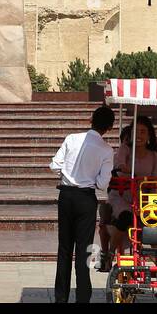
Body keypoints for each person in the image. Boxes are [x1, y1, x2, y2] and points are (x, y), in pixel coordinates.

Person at [49, 105, 115, 303]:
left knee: (64, 248)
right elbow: (103, 184)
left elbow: (54, 165)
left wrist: (68, 175)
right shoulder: (106, 150)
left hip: (66, 196)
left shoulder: (71, 138)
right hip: (86, 198)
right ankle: (83, 296)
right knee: (84, 249)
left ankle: (61, 297)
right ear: (110, 127)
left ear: (90, 120)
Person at [98, 116, 157, 270]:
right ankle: (110, 255)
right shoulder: (125, 149)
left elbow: (155, 180)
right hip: (122, 195)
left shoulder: (154, 156)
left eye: (143, 132)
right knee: (126, 217)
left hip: (143, 197)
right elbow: (120, 166)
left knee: (154, 219)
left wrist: (150, 199)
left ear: (149, 136)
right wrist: (131, 172)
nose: (139, 135)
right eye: (136, 132)